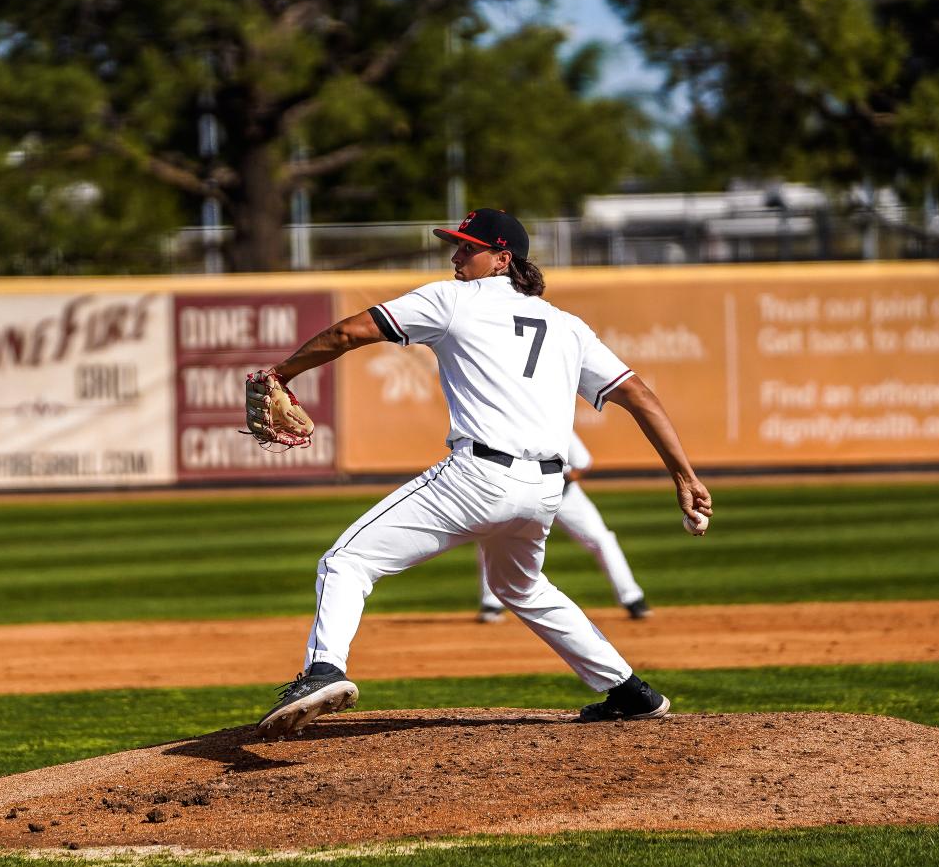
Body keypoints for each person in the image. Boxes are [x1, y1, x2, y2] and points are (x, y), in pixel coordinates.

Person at [253, 208, 711, 739]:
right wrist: (685, 476)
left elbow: (349, 332)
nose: (455, 256)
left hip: (478, 478)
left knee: (346, 561)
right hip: (545, 490)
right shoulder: (567, 326)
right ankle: (631, 691)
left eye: (467, 247)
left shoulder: (451, 301)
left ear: (502, 259)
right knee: (520, 585)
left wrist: (281, 373)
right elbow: (640, 396)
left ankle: (322, 671)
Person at [476, 431, 652, 623]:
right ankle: (491, 603)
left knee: (601, 539)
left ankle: (632, 598)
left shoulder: (554, 423)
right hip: (520, 492)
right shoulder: (508, 425)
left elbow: (583, 463)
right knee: (492, 537)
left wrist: (558, 483)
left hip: (564, 494)